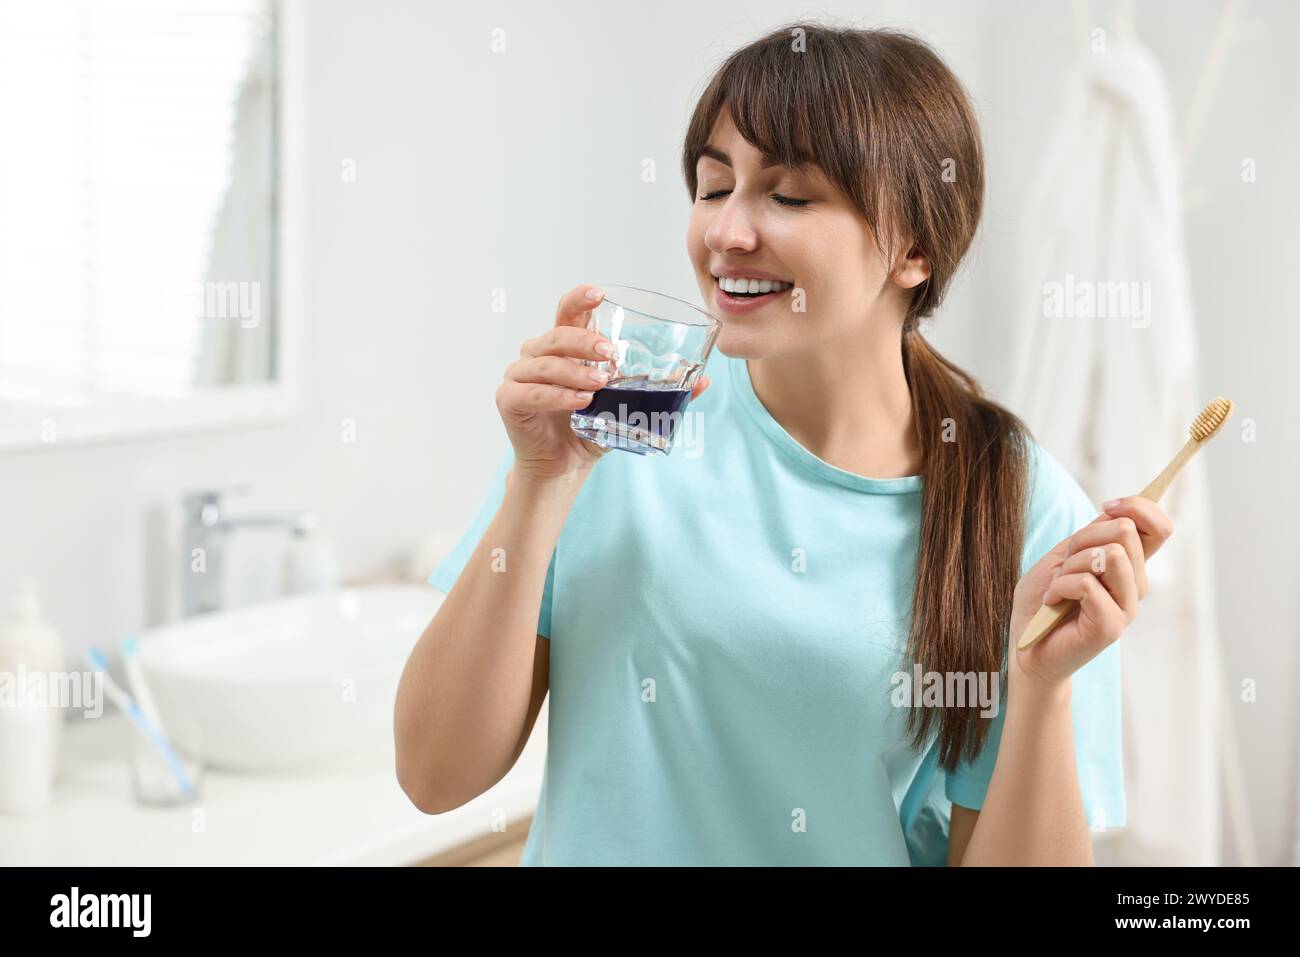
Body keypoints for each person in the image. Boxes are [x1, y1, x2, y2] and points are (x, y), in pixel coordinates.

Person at [394, 21, 1174, 866]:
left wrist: (1043, 693)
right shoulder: (622, 418)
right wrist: (538, 482)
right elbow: (435, 774)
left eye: (789, 197)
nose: (727, 233)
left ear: (913, 246)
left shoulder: (1017, 505)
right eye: (711, 187)